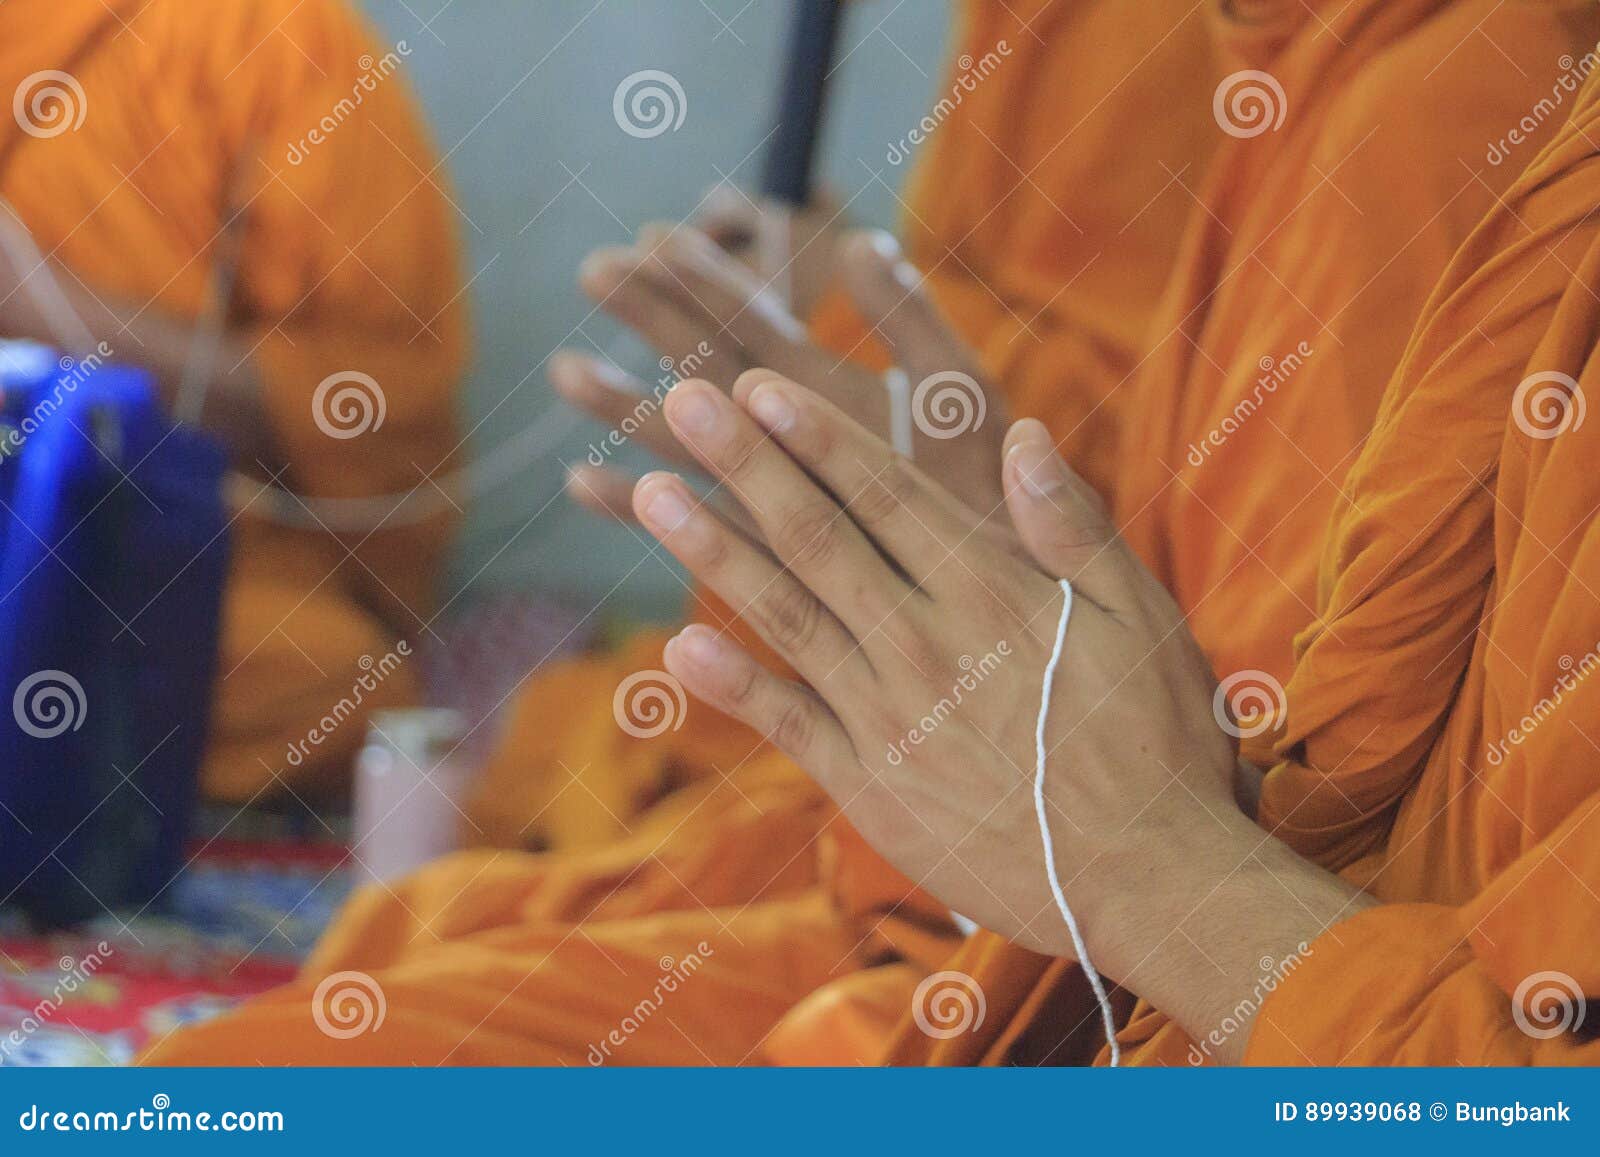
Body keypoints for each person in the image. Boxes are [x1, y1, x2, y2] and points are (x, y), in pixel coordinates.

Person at [142, 0, 1597, 1066]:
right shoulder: (1298, 56)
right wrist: (935, 484)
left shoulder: (1457, 90)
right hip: (1109, 894)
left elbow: (1308, 773)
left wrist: (1131, 845)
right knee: (363, 965)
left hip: (1209, 966)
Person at [0, 0, 466, 803]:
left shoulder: (275, 37)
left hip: (150, 565)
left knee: (330, 680)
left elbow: (387, 414)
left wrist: (43, 305)